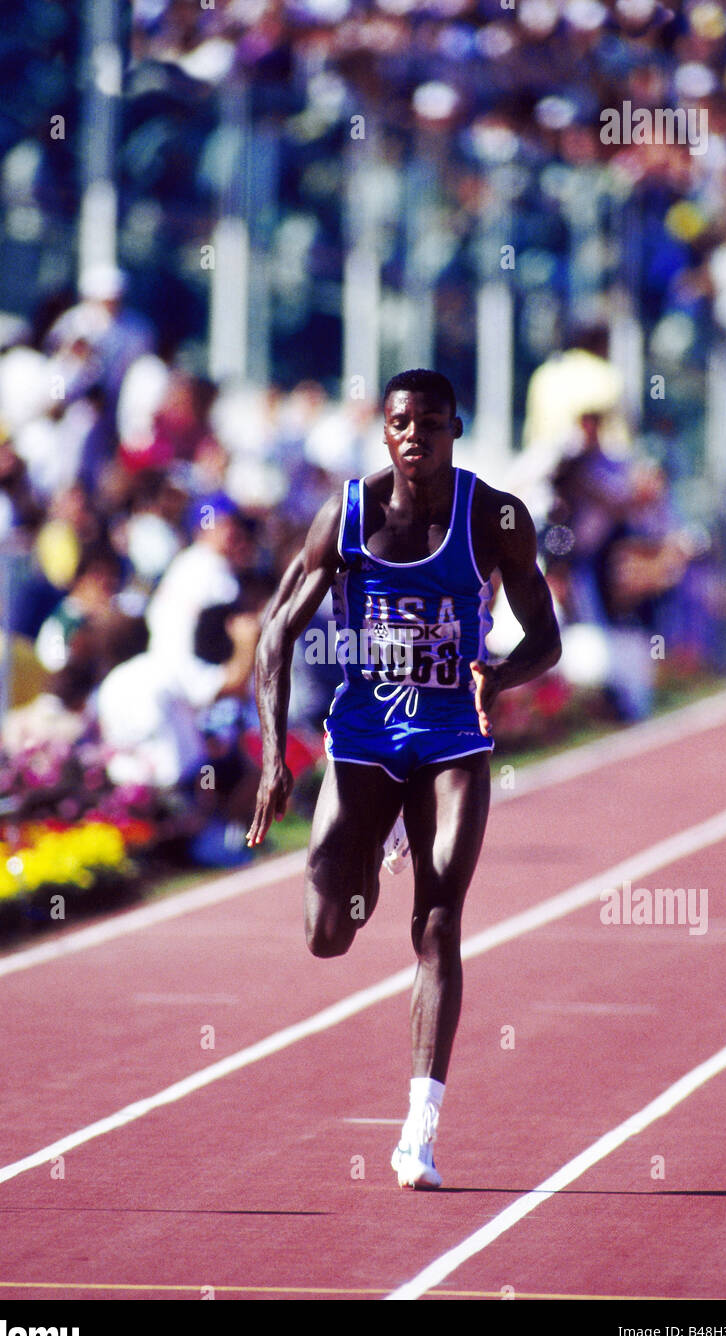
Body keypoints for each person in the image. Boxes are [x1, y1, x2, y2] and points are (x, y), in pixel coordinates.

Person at [247, 369, 561, 1190]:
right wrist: (273, 755)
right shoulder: (348, 513)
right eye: (397, 423)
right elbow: (276, 634)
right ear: (382, 431)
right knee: (326, 933)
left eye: (427, 422)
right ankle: (370, 845)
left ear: (455, 428)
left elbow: (545, 638)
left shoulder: (494, 516)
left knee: (438, 921)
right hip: (361, 735)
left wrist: (498, 675)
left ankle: (418, 1128)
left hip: (453, 734)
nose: (412, 435)